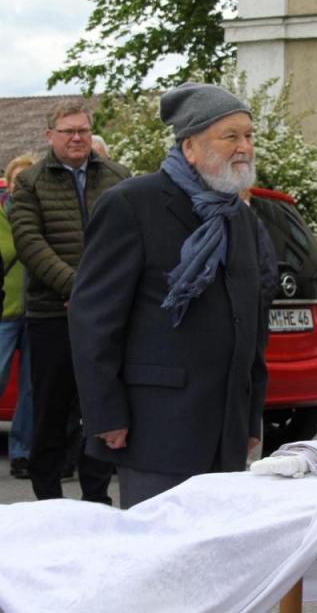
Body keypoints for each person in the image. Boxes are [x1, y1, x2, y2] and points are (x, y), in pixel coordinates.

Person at [69, 83, 276, 508]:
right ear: (190, 147)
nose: (244, 148)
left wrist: (251, 412)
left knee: (220, 556)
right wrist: (105, 413)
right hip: (156, 426)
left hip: (227, 429)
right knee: (158, 556)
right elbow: (94, 320)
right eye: (230, 136)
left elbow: (252, 321)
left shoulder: (240, 218)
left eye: (249, 136)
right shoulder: (131, 205)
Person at [9, 99, 129, 503]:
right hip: (52, 316)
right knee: (51, 411)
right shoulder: (29, 182)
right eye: (68, 131)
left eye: (83, 130)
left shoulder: (117, 177)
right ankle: (48, 501)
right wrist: (79, 291)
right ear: (50, 137)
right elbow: (30, 244)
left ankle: (97, 498)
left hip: (106, 317)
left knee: (99, 407)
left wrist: (100, 298)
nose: (77, 138)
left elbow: (129, 242)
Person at [1, 154, 37, 479]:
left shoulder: (42, 215)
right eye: (17, 182)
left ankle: (22, 453)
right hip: (3, 313)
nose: (22, 188)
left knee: (29, 388)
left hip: (37, 313)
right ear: (9, 185)